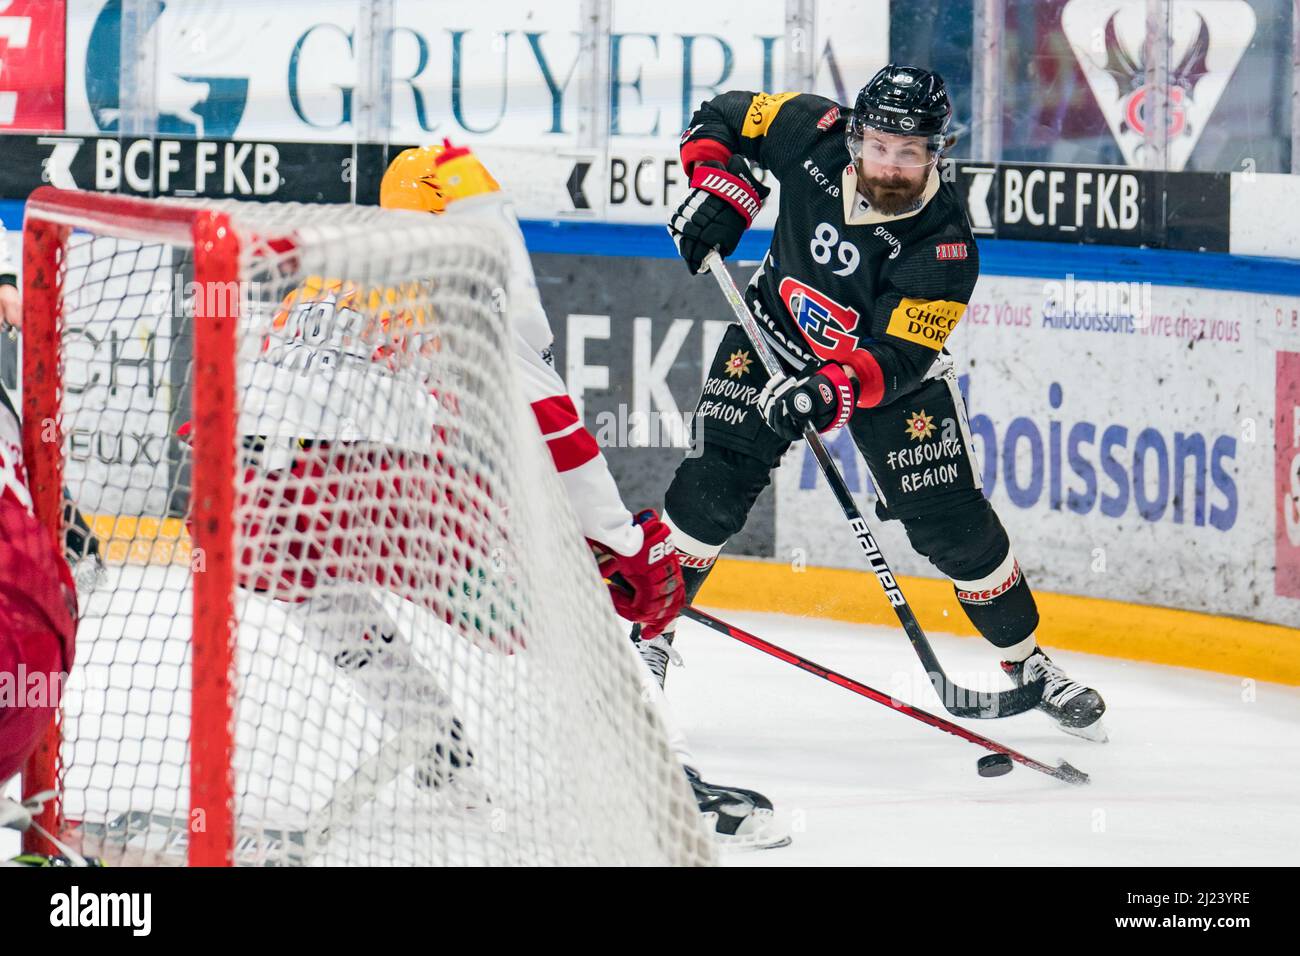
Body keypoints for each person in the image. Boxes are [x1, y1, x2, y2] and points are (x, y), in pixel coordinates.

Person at [651, 65, 1107, 739]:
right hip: (771, 337)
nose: (890, 166)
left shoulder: (944, 243)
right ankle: (647, 638)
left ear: (937, 153)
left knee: (954, 529)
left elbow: (901, 357)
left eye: (910, 152)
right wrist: (718, 181)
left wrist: (833, 388)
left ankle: (1027, 663)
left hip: (889, 386)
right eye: (878, 147)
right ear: (855, 134)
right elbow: (720, 113)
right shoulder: (809, 128)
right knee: (714, 484)